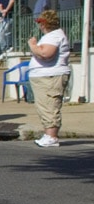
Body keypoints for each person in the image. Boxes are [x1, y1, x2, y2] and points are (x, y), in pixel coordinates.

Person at [27, 9, 71, 148]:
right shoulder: (52, 36)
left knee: (49, 105)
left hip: (50, 76)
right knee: (45, 106)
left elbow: (45, 54)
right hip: (45, 76)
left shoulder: (54, 36)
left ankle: (52, 136)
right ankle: (48, 134)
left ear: (44, 23)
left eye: (40, 22)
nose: (39, 25)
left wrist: (33, 45)